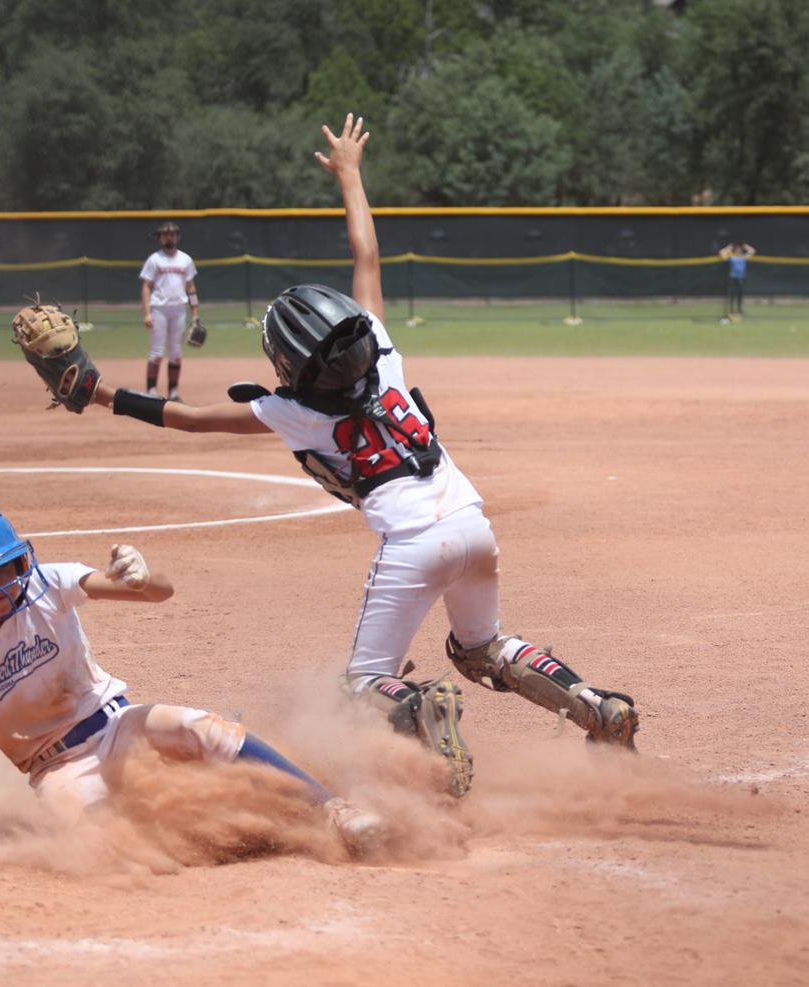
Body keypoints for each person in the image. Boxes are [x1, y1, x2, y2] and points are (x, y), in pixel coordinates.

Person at [74, 115, 639, 797]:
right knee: (482, 647)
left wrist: (100, 393)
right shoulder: (385, 356)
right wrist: (350, 173)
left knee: (364, 683)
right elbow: (366, 257)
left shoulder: (293, 411)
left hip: (411, 544)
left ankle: (424, 712)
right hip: (472, 523)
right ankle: (596, 707)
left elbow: (187, 417)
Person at [0, 503, 383, 856]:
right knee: (103, 847)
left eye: (9, 567)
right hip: (55, 768)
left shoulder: (49, 583)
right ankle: (240, 826)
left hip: (118, 726)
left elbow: (160, 594)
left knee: (198, 726)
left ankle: (332, 810)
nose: (5, 583)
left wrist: (142, 580)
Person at [139, 220, 199, 401]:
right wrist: (147, 313)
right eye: (165, 234)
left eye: (172, 234)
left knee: (176, 354)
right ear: (160, 238)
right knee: (157, 353)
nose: (169, 237)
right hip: (159, 310)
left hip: (179, 310)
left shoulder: (185, 259)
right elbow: (146, 287)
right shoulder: (154, 259)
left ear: (178, 237)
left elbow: (191, 287)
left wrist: (195, 314)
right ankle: (151, 392)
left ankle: (173, 393)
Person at [718, 240, 756, 319]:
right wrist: (729, 247)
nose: (738, 250)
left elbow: (752, 251)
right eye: (737, 249)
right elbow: (721, 253)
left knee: (740, 294)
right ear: (734, 249)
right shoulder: (731, 256)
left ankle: (739, 310)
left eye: (739, 249)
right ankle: (731, 310)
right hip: (733, 277)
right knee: (732, 294)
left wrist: (745, 245)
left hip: (741, 278)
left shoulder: (743, 256)